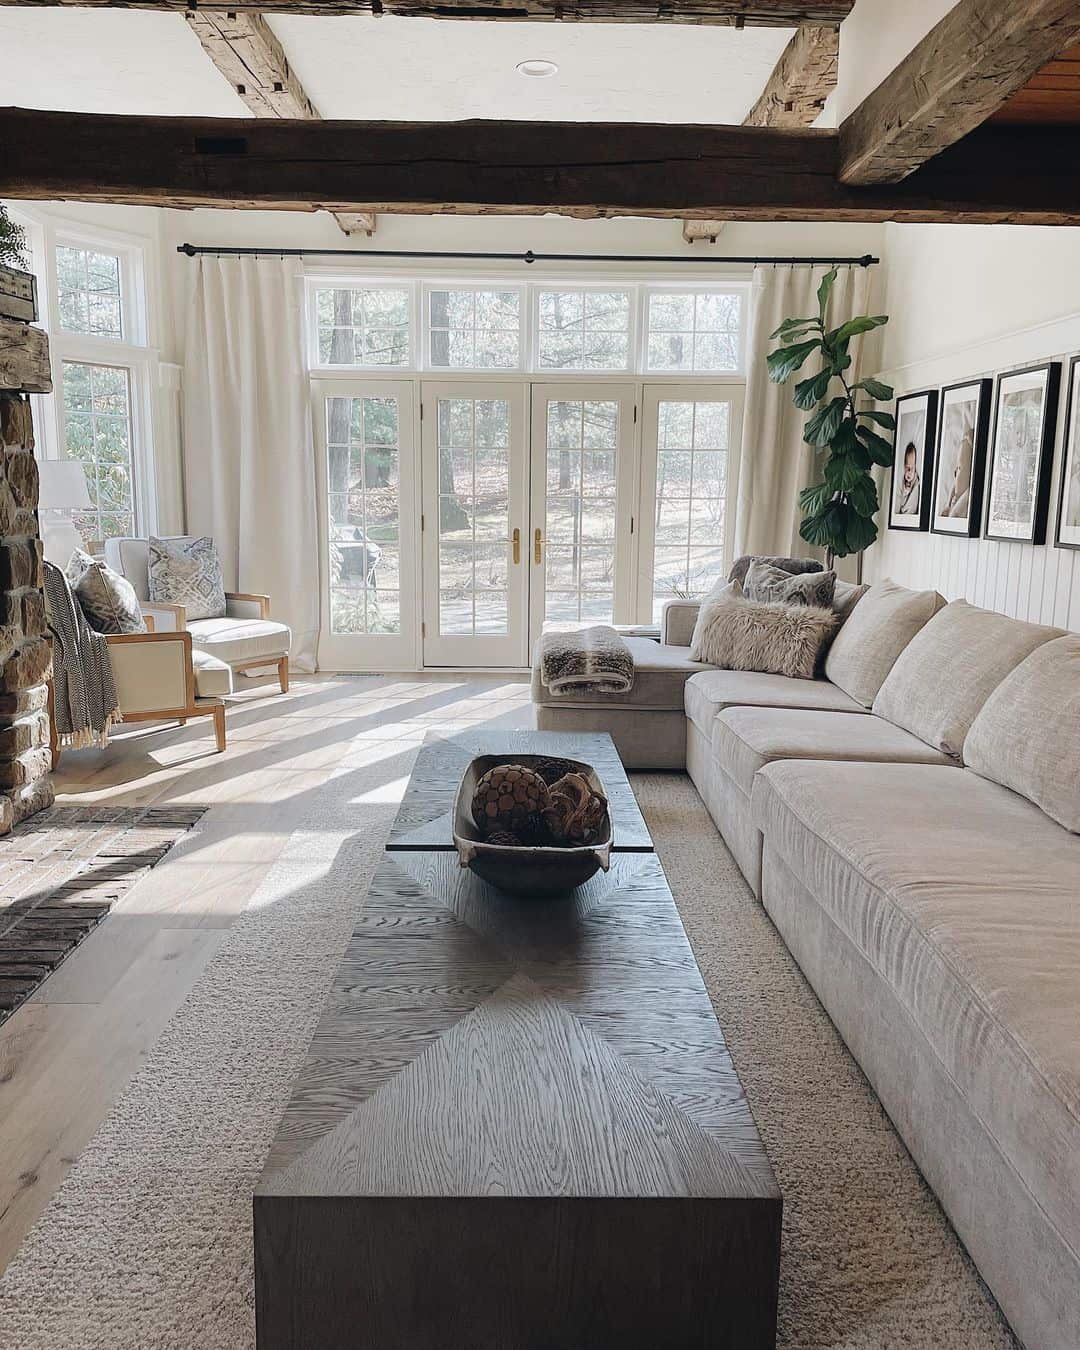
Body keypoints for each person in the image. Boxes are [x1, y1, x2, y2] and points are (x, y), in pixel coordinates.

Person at [897, 443, 920, 515]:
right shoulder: (902, 480)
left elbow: (914, 493)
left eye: (912, 469)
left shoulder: (915, 480)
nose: (909, 472)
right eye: (907, 468)